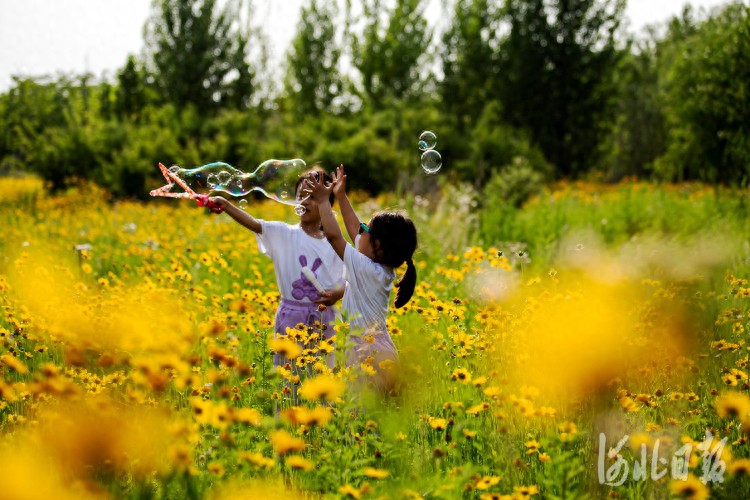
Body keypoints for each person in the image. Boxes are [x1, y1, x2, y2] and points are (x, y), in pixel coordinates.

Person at [207, 169, 345, 371]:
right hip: (290, 318)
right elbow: (254, 224)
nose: (305, 201)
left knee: (320, 375)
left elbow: (350, 279)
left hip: (322, 320)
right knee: (288, 378)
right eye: (301, 196)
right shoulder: (284, 234)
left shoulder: (333, 243)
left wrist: (337, 295)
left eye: (313, 197)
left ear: (327, 203)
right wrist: (226, 205)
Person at [303, 165, 418, 392]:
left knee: (361, 417)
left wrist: (324, 201)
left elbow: (335, 237)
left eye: (366, 229)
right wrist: (341, 195)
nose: (360, 231)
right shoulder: (379, 268)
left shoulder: (366, 268)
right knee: (374, 418)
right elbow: (354, 228)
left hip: (366, 353)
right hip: (378, 349)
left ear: (379, 247)